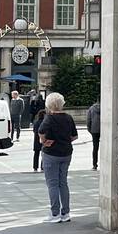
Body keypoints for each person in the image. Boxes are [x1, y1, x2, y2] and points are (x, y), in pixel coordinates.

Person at [38, 92, 78, 224]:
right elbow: (74, 136)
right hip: (66, 153)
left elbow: (41, 131)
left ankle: (55, 213)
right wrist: (65, 141)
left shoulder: (49, 118)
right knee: (63, 183)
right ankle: (65, 212)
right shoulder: (68, 118)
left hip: (51, 153)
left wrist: (44, 141)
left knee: (52, 184)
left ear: (49, 105)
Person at [86, 100, 101, 170]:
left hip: (94, 130)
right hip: (104, 129)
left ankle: (95, 165)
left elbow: (88, 120)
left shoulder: (91, 109)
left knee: (95, 148)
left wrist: (89, 129)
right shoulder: (104, 108)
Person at [32, 106, 46, 172]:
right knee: (43, 154)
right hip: (43, 139)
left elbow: (34, 130)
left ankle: (35, 167)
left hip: (36, 139)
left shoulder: (36, 122)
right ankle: (42, 167)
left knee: (36, 154)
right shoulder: (45, 122)